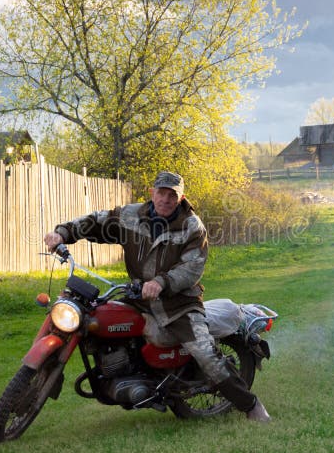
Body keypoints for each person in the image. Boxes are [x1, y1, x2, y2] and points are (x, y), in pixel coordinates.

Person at [43, 171, 271, 423]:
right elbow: (98, 221)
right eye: (161, 193)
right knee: (94, 319)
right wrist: (63, 233)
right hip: (138, 297)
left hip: (179, 304)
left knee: (206, 354)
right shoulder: (130, 215)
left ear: (180, 197)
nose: (165, 199)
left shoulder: (192, 227)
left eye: (171, 195)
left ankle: (250, 405)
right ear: (152, 193)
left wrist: (162, 282)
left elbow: (191, 268)